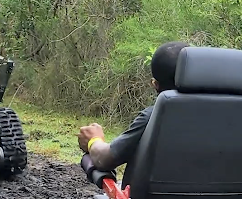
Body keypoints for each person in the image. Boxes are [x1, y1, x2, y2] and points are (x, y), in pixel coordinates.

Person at [77, 41, 189, 187]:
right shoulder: (227, 118)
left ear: (155, 84)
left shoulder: (153, 118)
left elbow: (104, 160)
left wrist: (94, 140)